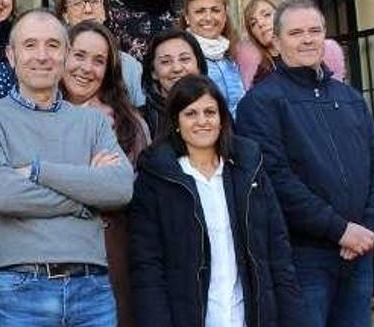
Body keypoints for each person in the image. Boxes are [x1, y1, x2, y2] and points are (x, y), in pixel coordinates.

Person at [0, 10, 134, 327]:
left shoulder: (93, 122)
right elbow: (1, 196)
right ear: (12, 56)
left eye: (53, 45)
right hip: (19, 289)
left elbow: (121, 188)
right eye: (30, 45)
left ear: (66, 55)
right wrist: (86, 198)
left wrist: (38, 171)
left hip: (92, 288)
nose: (42, 56)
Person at [236, 0, 374, 327]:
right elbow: (275, 178)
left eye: (315, 30)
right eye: (295, 32)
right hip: (303, 258)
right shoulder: (260, 103)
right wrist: (340, 230)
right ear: (276, 43)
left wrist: (373, 226)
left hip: (358, 255)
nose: (307, 39)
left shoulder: (349, 97)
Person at [130, 74, 305, 327]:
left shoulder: (250, 169)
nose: (202, 121)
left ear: (222, 118)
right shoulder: (157, 177)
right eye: (191, 113)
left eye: (210, 112)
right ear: (176, 122)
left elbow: (278, 252)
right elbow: (147, 267)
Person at [60, 20, 150, 327]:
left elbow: (128, 194)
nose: (87, 68)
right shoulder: (34, 113)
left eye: (99, 61)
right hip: (48, 264)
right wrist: (92, 179)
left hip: (111, 257)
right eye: (79, 55)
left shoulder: (130, 124)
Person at [57, 0, 145, 107]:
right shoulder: (54, 61)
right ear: (65, 15)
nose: (87, 9)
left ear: (104, 10)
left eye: (94, 1)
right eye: (78, 3)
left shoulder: (130, 67)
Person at [237, 0, 347, 89]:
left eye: (267, 15)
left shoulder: (312, 53)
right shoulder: (257, 70)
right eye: (253, 23)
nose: (260, 23)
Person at [180, 0, 245, 116]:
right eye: (200, 11)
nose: (208, 18)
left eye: (215, 10)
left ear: (225, 14)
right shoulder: (182, 58)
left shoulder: (232, 55)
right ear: (187, 17)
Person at [140, 28, 207, 138]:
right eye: (166, 62)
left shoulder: (215, 111)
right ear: (153, 72)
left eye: (184, 59)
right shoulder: (140, 121)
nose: (177, 68)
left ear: (199, 66)